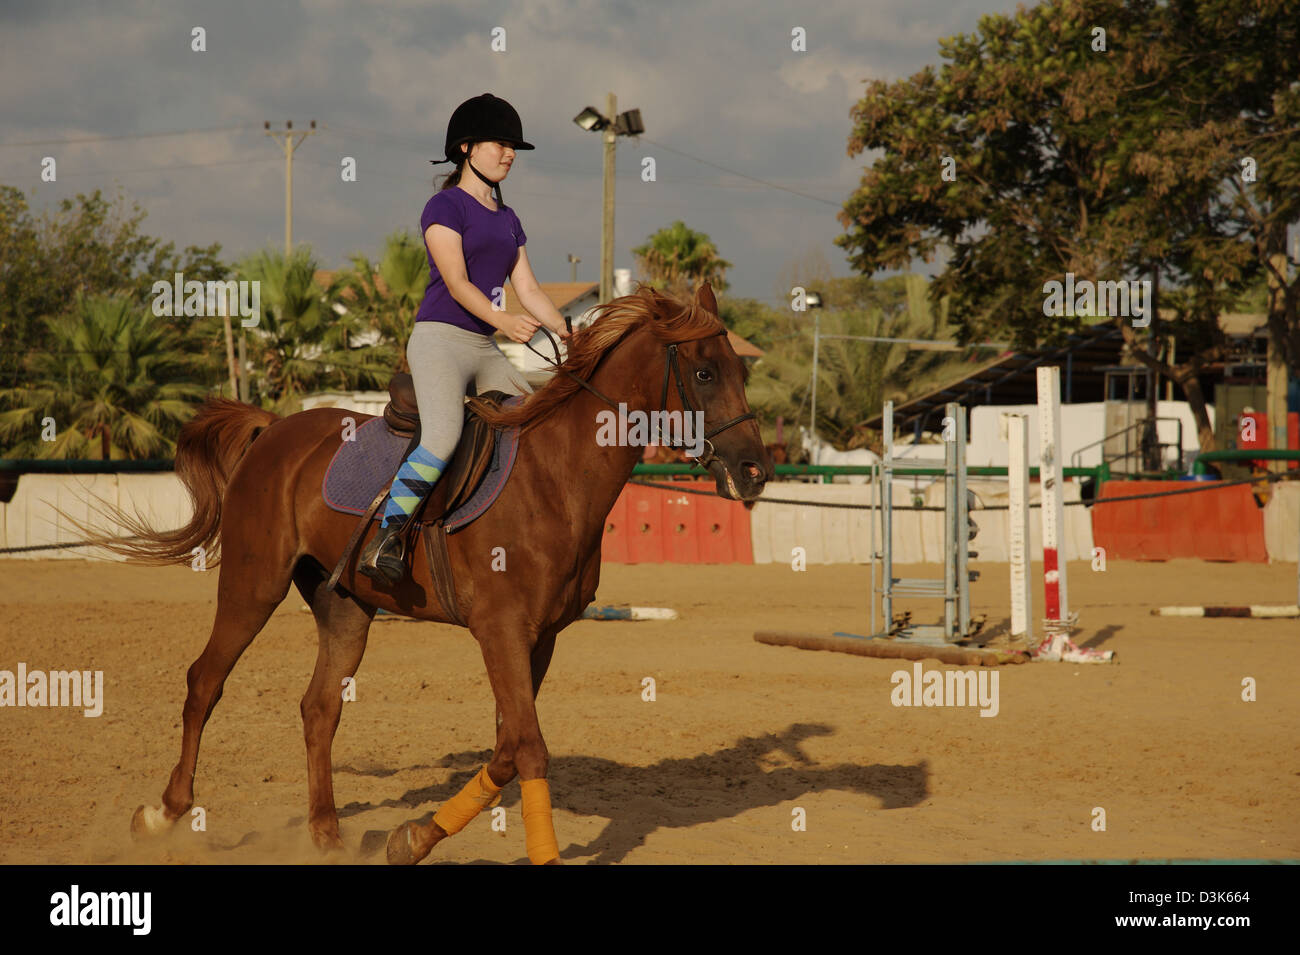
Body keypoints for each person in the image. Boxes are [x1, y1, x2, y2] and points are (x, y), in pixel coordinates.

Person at [360, 92, 571, 586]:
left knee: (536, 426)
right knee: (443, 435)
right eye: (501, 143)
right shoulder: (444, 205)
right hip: (440, 341)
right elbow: (457, 283)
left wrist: (568, 330)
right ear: (466, 148)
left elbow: (531, 289)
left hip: (483, 349)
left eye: (513, 147)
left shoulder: (508, 218)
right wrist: (505, 322)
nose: (510, 153)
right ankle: (385, 538)